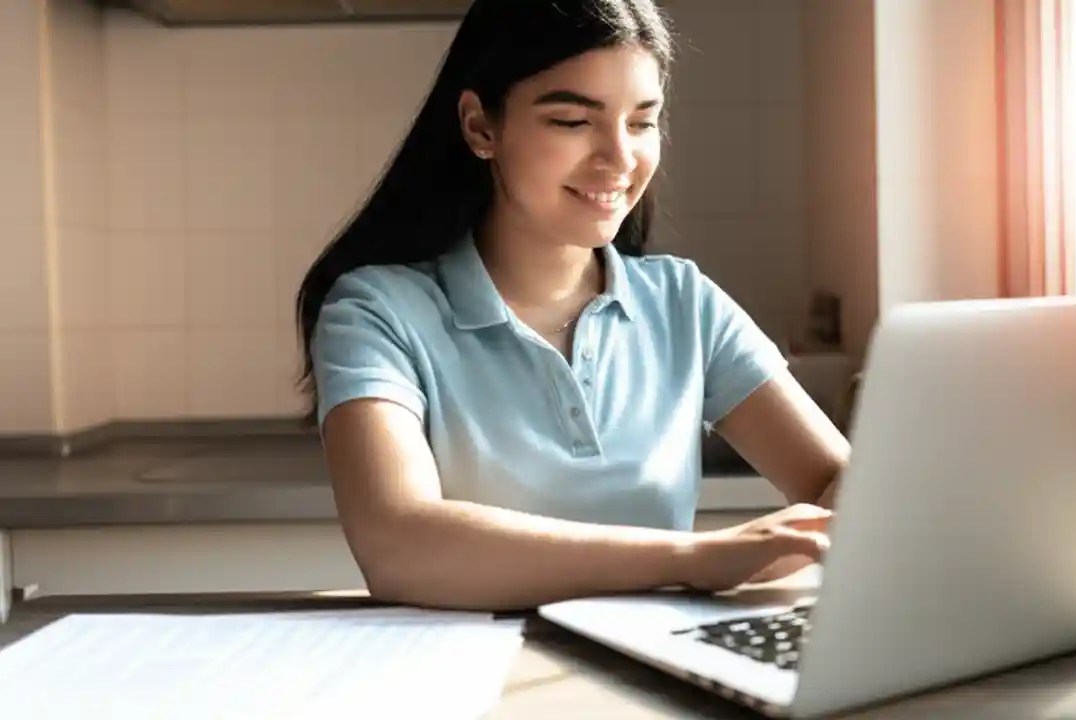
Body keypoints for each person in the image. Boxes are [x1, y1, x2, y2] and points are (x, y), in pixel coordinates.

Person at [295, 0, 850, 611]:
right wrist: (692, 559)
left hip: (662, 670)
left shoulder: (684, 302)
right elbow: (397, 543)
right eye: (572, 121)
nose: (619, 158)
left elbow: (840, 484)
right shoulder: (375, 310)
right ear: (481, 126)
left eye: (642, 122)